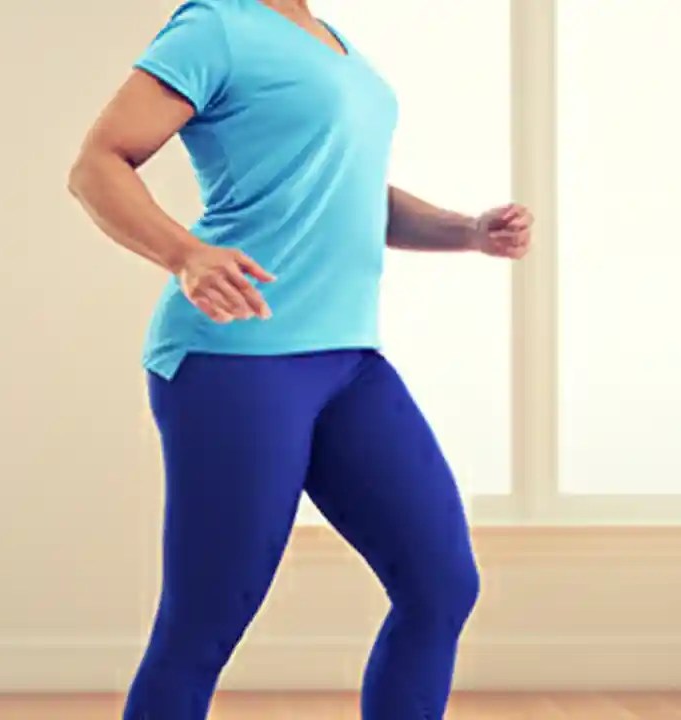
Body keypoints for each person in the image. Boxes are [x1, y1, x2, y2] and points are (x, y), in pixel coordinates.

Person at [68, 0, 532, 717]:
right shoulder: (215, 26)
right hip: (238, 361)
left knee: (441, 585)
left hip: (348, 363)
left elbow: (347, 193)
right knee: (203, 623)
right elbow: (97, 165)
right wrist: (186, 254)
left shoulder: (332, 43)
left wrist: (466, 230)